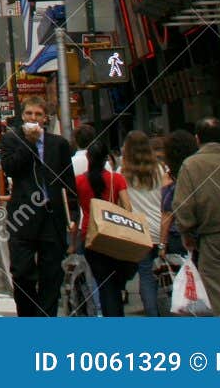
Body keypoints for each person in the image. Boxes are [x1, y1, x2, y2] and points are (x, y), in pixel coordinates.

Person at [1, 100, 78, 316]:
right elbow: (10, 168)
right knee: (22, 273)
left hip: (52, 219)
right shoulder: (12, 139)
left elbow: (68, 181)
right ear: (22, 116)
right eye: (28, 113)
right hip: (22, 218)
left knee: (51, 276)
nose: (33, 118)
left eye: (38, 114)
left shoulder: (59, 144)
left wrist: (73, 215)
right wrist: (29, 143)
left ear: (45, 118)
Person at [173, 117, 220, 315]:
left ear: (197, 138)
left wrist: (186, 233)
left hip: (212, 239)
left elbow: (183, 206)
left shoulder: (191, 165)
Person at [75, 129, 132, 317]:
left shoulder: (80, 181)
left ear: (89, 158)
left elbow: (74, 207)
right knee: (114, 284)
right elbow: (127, 208)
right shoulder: (117, 179)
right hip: (113, 234)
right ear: (107, 158)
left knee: (101, 282)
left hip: (90, 234)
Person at [121, 130, 169, 316]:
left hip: (138, 231)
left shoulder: (123, 172)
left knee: (146, 275)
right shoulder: (160, 169)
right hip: (160, 228)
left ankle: (152, 316)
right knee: (163, 273)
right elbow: (166, 201)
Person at [160, 129, 198, 259]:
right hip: (201, 234)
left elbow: (167, 214)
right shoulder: (198, 174)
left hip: (178, 236)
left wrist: (162, 244)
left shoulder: (170, 180)